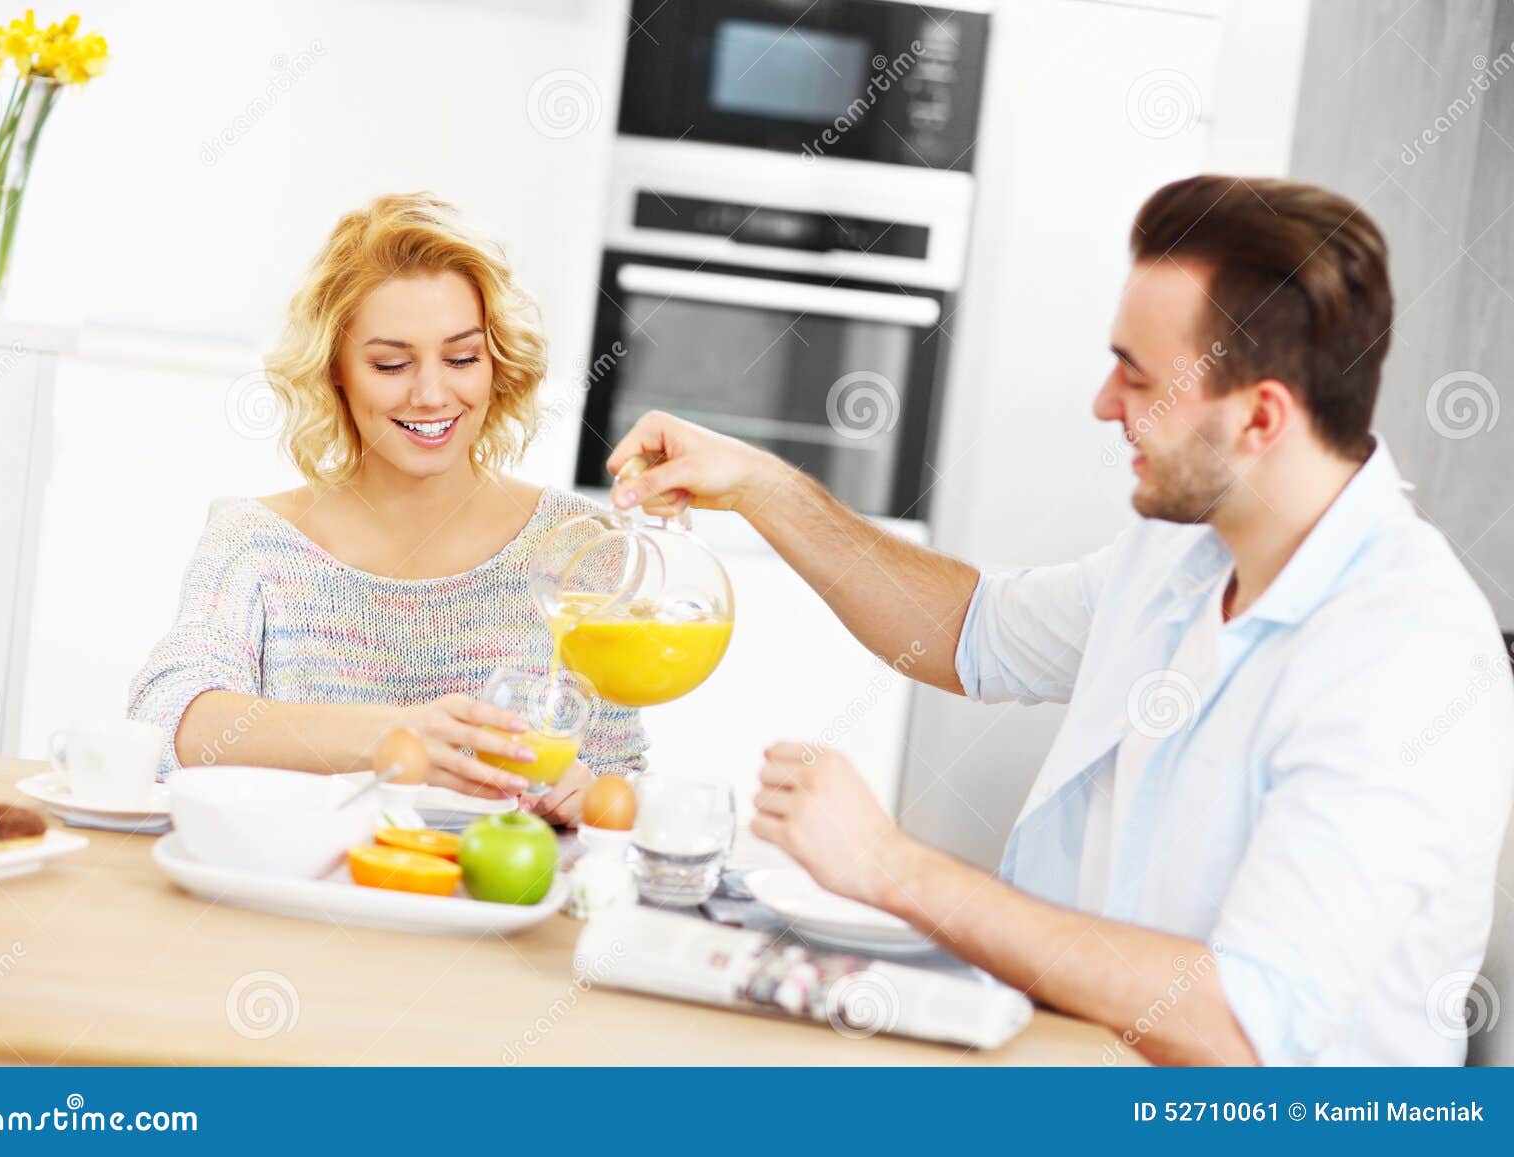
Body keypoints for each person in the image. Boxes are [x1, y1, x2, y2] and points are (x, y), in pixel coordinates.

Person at [608, 175, 1514, 1064]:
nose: (1104, 403)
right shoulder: (1184, 553)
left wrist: (889, 866)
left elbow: (1244, 1025)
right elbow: (970, 630)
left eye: (1137, 376)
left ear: (1260, 417)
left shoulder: (1406, 656)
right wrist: (762, 486)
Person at [129, 193, 645, 826]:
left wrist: (590, 797)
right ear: (335, 370)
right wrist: (394, 738)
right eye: (391, 363)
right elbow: (166, 719)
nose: (431, 394)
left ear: (496, 362)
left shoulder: (580, 547)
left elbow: (622, 779)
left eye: (462, 358)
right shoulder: (253, 542)